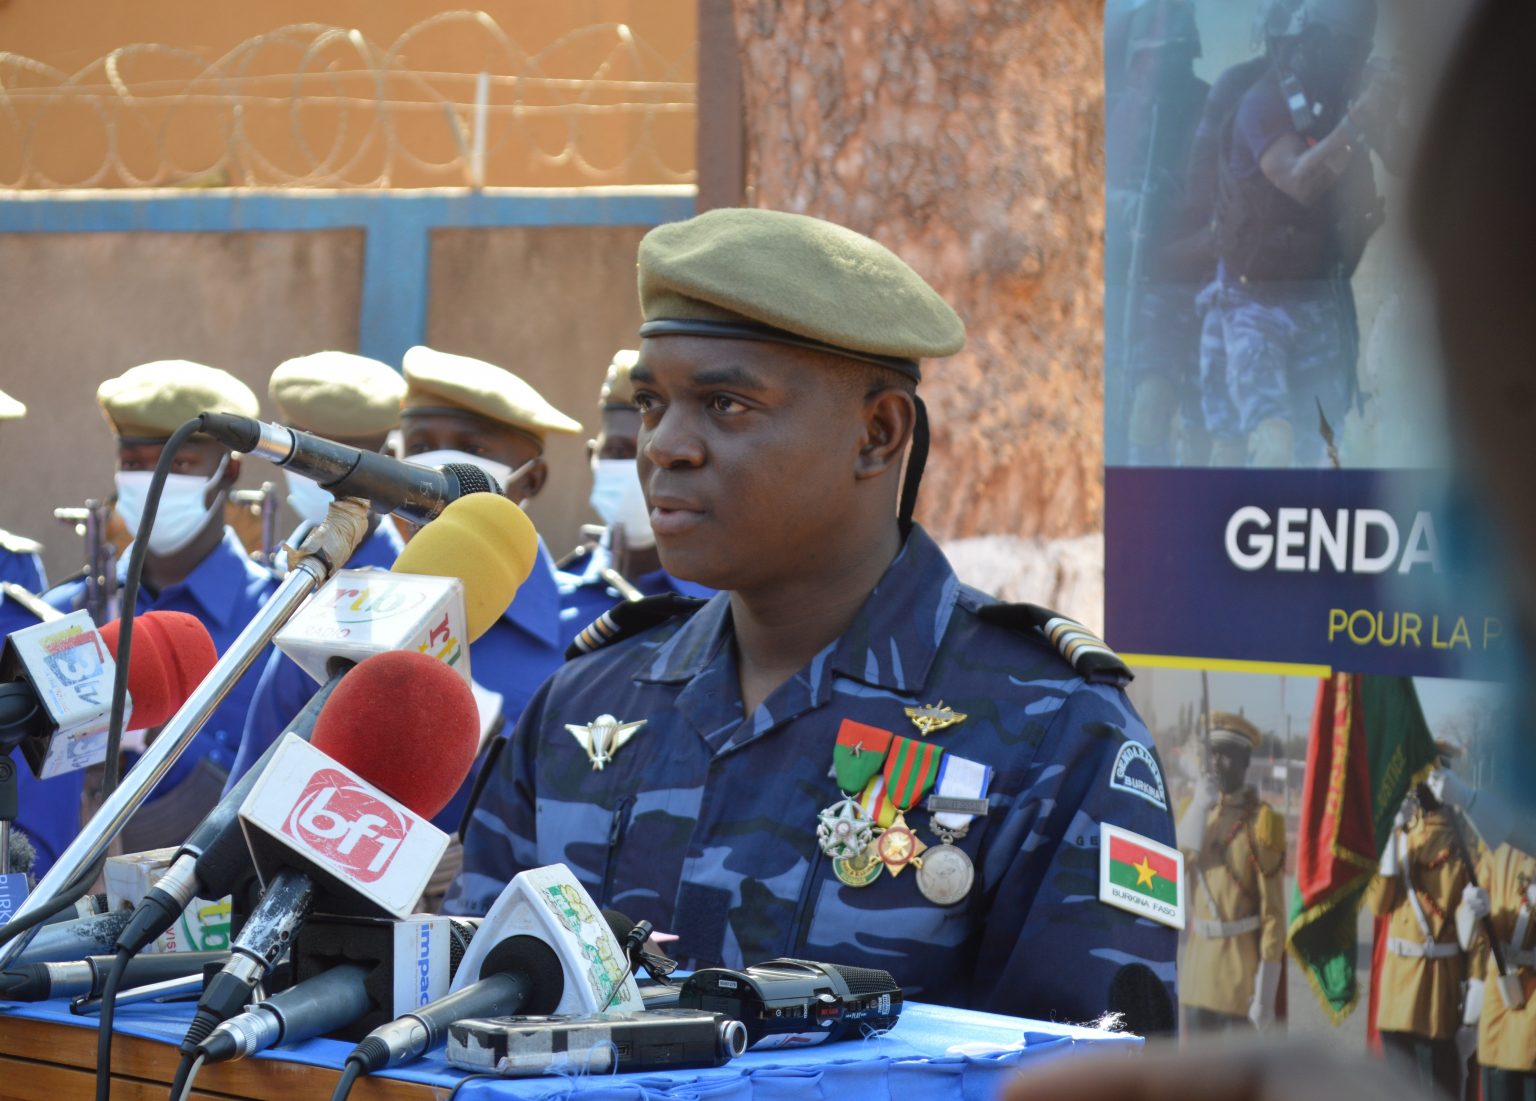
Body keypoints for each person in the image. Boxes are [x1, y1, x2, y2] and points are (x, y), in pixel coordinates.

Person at [448, 208, 1179, 1028]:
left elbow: (1096, 1069)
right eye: (651, 402)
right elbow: (470, 1028)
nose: (664, 445)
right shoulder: (584, 706)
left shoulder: (1055, 732)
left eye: (725, 403)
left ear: (878, 434)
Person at [45, 361, 276, 851]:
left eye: (178, 464)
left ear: (230, 471)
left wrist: (172, 746)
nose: (151, 482)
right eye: (134, 464)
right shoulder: (62, 617)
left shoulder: (278, 621)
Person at [1212, 0, 1401, 466]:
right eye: (1347, 49)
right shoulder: (1264, 101)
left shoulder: (1343, 99)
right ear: (1313, 41)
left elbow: (1403, 159)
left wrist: (1389, 105)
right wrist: (1357, 121)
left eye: (1361, 51)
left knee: (1324, 447)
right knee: (1273, 442)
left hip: (1319, 296)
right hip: (1255, 303)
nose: (1352, 62)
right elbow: (1299, 181)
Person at [227, 351, 408, 790]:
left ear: (386, 460)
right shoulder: (270, 580)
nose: (320, 476)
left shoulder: (404, 592)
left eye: (341, 459)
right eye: (305, 454)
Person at [1105, 0, 1212, 465]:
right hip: (1132, 287)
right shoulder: (1122, 111)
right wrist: (1127, 206)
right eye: (1156, 58)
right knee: (1137, 408)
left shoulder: (1210, 108)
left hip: (1194, 283)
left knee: (1193, 417)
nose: (1166, 70)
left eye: (1176, 56)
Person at [556, 349, 712, 641]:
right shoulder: (550, 602)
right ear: (592, 457)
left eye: (654, 451)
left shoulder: (725, 609)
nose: (638, 467)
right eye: (619, 451)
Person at [1363, 745, 1475, 1100]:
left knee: (1437, 1088)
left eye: (1426, 778)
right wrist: (1388, 844)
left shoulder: (1466, 843)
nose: (1417, 786)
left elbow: (1474, 935)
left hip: (1438, 989)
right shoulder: (1400, 835)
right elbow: (1379, 904)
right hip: (1398, 986)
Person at [1176, 712, 1285, 1033]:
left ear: (1245, 761)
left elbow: (1273, 915)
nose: (1217, 763)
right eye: (1213, 754)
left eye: (1227, 755)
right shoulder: (1193, 811)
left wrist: (1265, 996)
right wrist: (1200, 807)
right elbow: (1172, 868)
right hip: (1197, 976)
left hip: (1240, 981)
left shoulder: (1262, 822)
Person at [1456, 840, 1536, 1101]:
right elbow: (1467, 938)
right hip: (1500, 993)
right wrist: (1472, 908)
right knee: (1497, 1081)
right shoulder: (1501, 851)